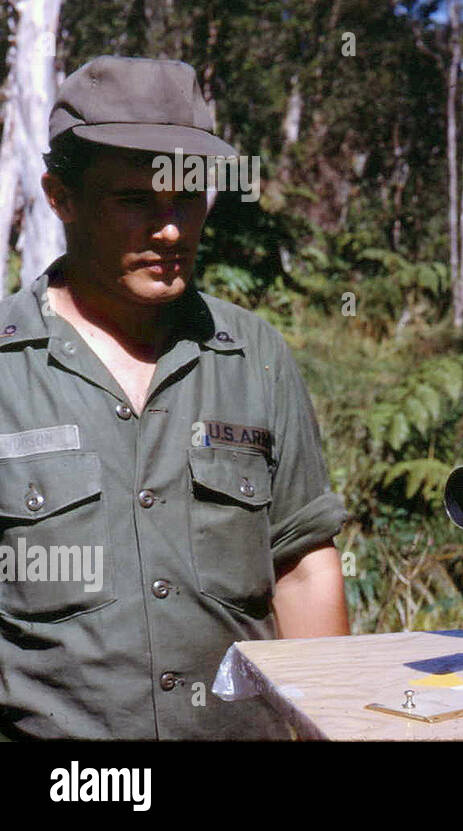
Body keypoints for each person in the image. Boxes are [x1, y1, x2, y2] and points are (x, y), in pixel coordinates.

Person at [0, 56, 349, 739]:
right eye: (135, 200)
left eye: (187, 197)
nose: (170, 229)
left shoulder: (254, 357)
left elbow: (304, 569)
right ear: (60, 195)